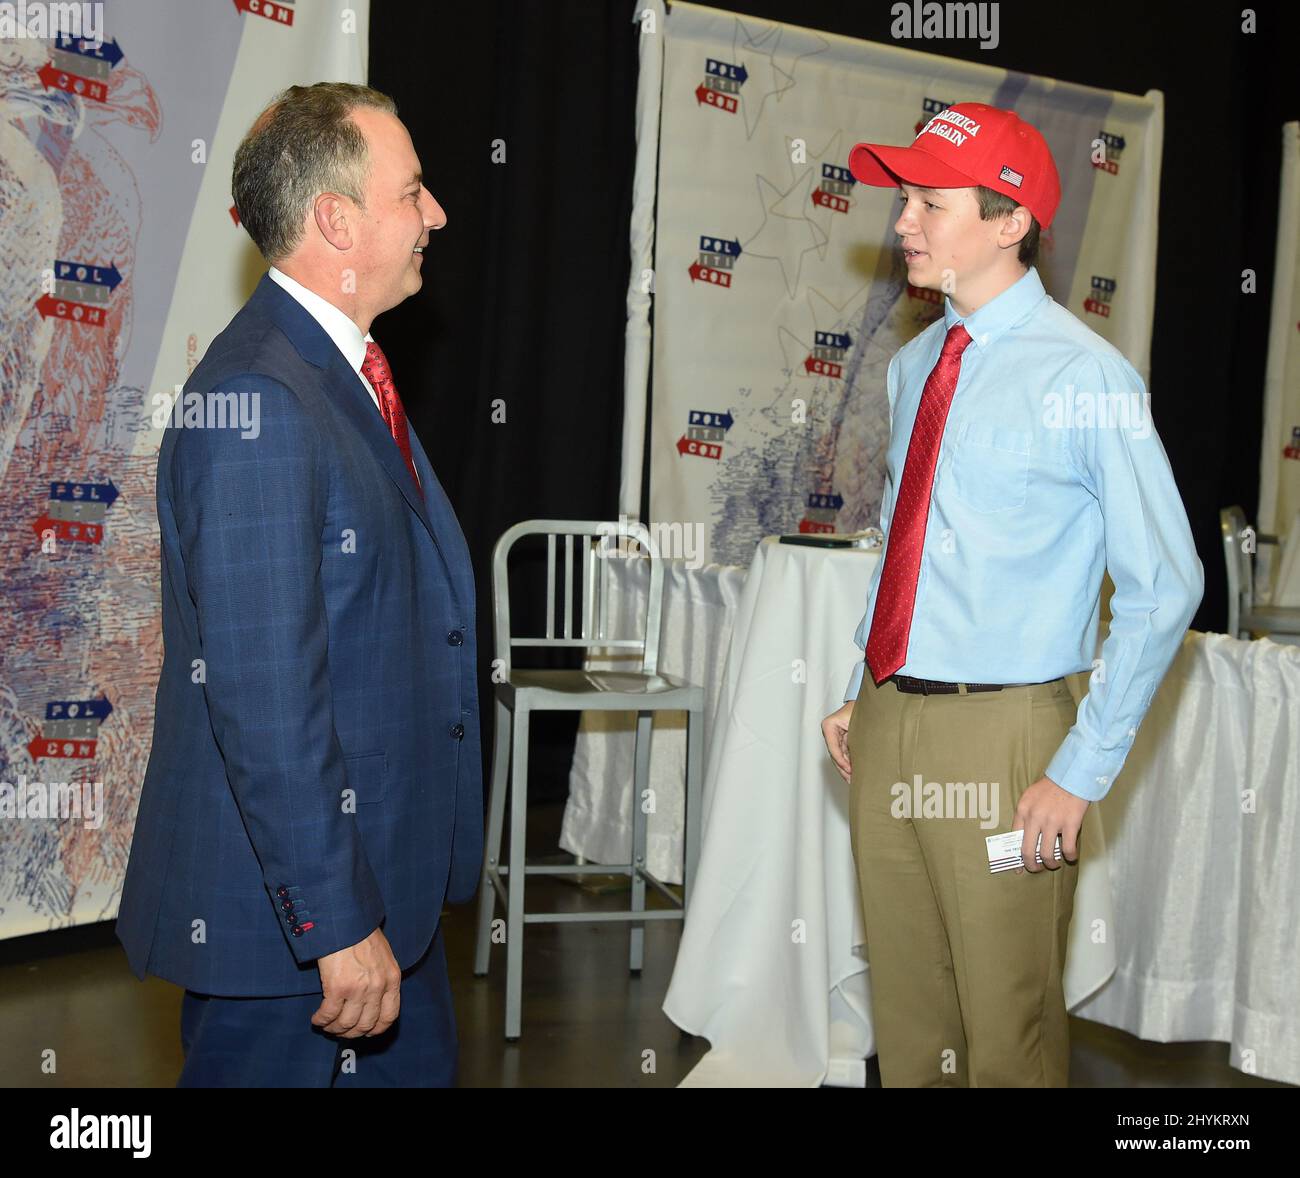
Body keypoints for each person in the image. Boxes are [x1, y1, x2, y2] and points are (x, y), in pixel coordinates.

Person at [820, 102, 1203, 1087]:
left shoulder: (1087, 378)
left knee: (1005, 1035)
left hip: (1007, 739)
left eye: (927, 202)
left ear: (1008, 222)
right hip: (892, 716)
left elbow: (1166, 583)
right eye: (902, 199)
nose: (901, 221)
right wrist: (867, 673)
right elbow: (909, 540)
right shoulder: (917, 365)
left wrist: (1079, 767)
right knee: (908, 1023)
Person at [115, 82, 482, 1087]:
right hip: (299, 938)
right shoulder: (258, 399)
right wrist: (335, 920)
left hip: (380, 901)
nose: (436, 214)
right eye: (412, 192)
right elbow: (265, 696)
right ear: (336, 219)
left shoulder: (338, 374)